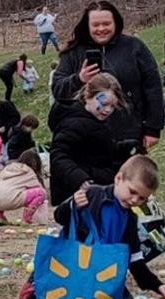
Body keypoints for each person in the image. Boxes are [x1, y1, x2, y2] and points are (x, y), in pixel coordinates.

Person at [19, 155, 165, 299]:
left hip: (98, 272)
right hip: (73, 262)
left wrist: (158, 286)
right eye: (132, 191)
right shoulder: (93, 195)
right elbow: (59, 216)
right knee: (58, 279)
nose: (134, 200)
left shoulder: (130, 219)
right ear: (118, 179)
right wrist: (72, 204)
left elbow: (135, 261)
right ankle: (37, 285)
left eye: (142, 198)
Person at [51, 0, 163, 167]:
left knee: (128, 187)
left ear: (115, 23)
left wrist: (153, 128)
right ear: (87, 26)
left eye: (106, 24)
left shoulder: (134, 47)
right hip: (84, 138)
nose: (101, 29)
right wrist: (79, 79)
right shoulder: (74, 52)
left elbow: (153, 87)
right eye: (95, 24)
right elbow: (58, 89)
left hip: (128, 133)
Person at [49, 73, 126, 206]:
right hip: (78, 193)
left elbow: (98, 151)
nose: (108, 110)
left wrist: (124, 148)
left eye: (113, 106)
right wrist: (80, 180)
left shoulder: (96, 122)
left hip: (97, 188)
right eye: (104, 103)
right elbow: (59, 155)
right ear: (87, 96)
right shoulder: (73, 123)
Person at [0, 150, 47, 225]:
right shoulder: (28, 171)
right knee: (41, 193)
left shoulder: (8, 168)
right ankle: (27, 217)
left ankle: (1, 216)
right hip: (11, 201)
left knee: (2, 190)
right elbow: (37, 186)